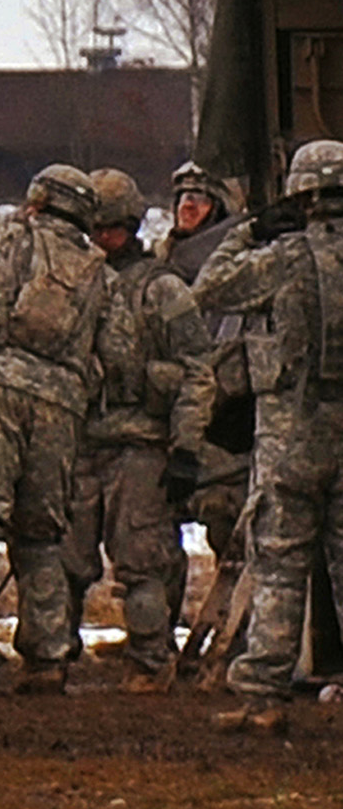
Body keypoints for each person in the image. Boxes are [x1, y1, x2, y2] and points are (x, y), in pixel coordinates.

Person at [0, 161, 113, 686]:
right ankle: (48, 656)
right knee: (39, 535)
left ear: (36, 201)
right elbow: (118, 353)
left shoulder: (7, 241)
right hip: (61, 408)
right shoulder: (101, 272)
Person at [195, 132, 343, 726]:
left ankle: (263, 695)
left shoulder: (284, 259)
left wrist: (249, 229)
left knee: (280, 560)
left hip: (292, 433)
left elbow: (209, 286)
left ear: (301, 195)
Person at [75, 167, 217, 681]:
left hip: (141, 447)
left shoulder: (162, 290)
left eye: (112, 227)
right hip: (80, 443)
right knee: (65, 559)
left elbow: (198, 370)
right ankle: (50, 660)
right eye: (95, 227)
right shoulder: (76, 282)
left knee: (143, 563)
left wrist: (185, 448)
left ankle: (150, 662)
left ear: (130, 226)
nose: (103, 238)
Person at [164, 163, 256, 630]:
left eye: (200, 199)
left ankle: (233, 632)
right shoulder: (160, 272)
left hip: (224, 429)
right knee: (150, 542)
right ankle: (156, 639)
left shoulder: (238, 274)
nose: (187, 206)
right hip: (166, 425)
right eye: (182, 198)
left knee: (229, 525)